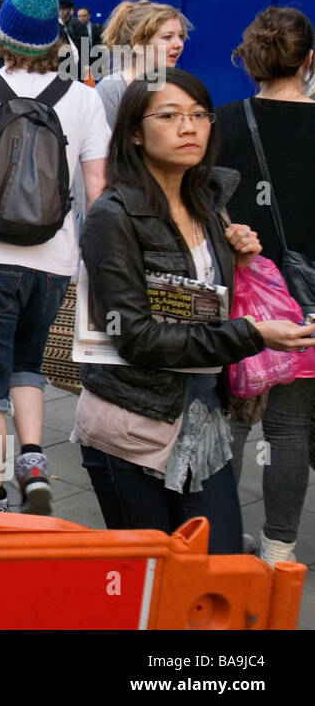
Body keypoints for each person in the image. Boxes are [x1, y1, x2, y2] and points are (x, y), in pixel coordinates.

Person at [76, 69, 315, 553]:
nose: (190, 128)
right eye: (170, 116)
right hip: (134, 424)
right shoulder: (114, 216)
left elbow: (199, 304)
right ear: (136, 134)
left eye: (199, 115)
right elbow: (138, 337)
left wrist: (238, 263)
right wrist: (251, 334)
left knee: (218, 563)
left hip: (203, 420)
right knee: (155, 579)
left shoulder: (209, 205)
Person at [0, 0, 109, 514]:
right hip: (54, 262)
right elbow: (97, 190)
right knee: (27, 366)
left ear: (1, 37)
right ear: (55, 42)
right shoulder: (82, 97)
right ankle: (32, 461)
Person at [216, 6, 315, 563]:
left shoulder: (222, 122)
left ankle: (219, 538)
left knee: (230, 418)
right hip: (307, 303)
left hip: (238, 293)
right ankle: (280, 551)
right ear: (309, 60)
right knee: (289, 428)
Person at [95, 1, 190, 127]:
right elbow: (105, 144)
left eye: (181, 36)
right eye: (167, 37)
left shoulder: (181, 85)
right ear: (138, 45)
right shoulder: (113, 89)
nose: (179, 44)